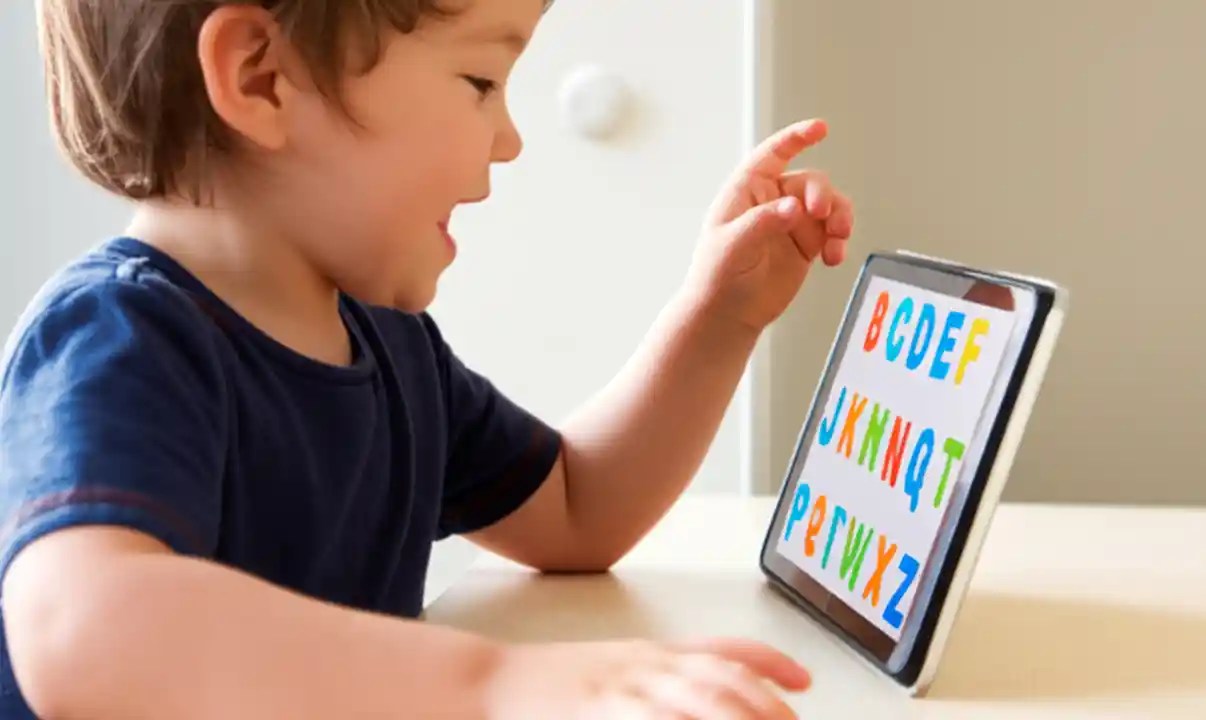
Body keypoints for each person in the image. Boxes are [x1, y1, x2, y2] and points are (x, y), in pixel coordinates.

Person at [0, 1, 854, 717]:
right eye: (480, 81)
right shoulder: (119, 339)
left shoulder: (386, 342)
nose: (509, 138)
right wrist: (493, 681)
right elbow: (82, 629)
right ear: (262, 78)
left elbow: (577, 509)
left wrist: (720, 317)